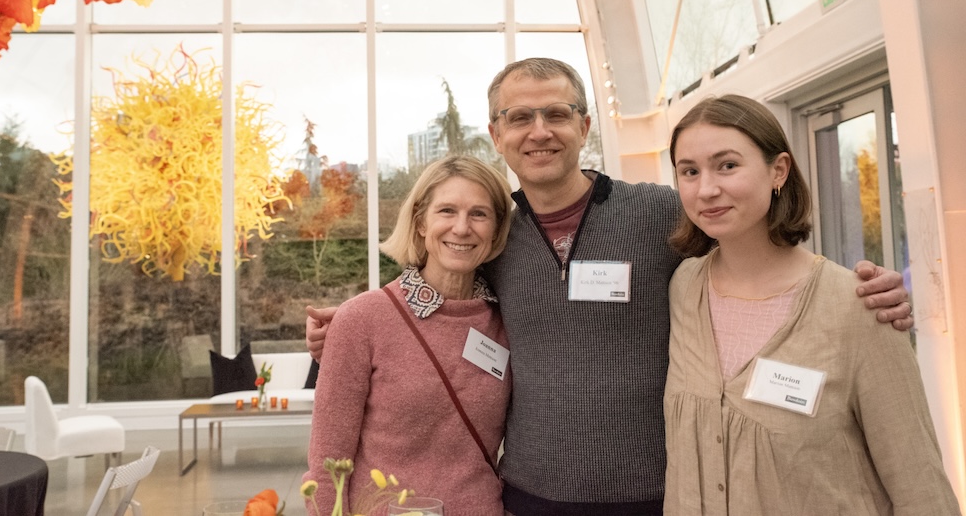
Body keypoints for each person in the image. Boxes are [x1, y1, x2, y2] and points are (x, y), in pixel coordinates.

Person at [307, 58, 913, 515]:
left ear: (584, 126)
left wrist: (857, 289)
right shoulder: (498, 237)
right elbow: (442, 301)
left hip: (655, 492)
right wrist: (350, 331)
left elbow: (752, 249)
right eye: (520, 117)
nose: (539, 130)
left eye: (557, 114)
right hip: (529, 494)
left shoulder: (655, 213)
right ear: (497, 134)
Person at [663, 94, 958, 515]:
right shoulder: (683, 287)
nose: (707, 189)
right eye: (689, 171)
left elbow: (918, 482)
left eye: (727, 165)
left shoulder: (857, 305)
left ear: (778, 170)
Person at [301, 155, 513, 515]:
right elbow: (327, 465)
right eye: (446, 211)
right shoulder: (362, 319)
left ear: (495, 231)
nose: (462, 228)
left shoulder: (508, 322)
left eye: (479, 214)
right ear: (420, 223)